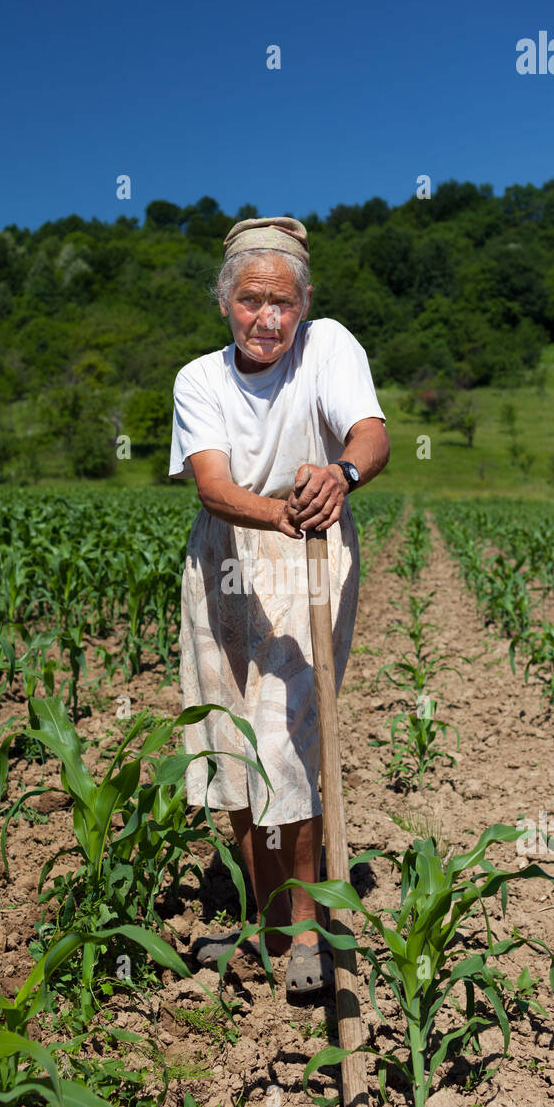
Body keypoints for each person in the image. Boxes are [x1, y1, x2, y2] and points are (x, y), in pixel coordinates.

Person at [168, 215, 390, 992]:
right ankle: (265, 919)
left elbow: (369, 433)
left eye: (283, 303)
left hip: (315, 551)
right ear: (225, 302)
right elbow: (215, 486)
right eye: (251, 301)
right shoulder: (199, 379)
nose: (268, 319)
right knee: (231, 736)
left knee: (288, 734)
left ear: (304, 305)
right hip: (230, 551)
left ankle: (304, 932)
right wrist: (280, 513)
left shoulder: (329, 345)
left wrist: (343, 477)